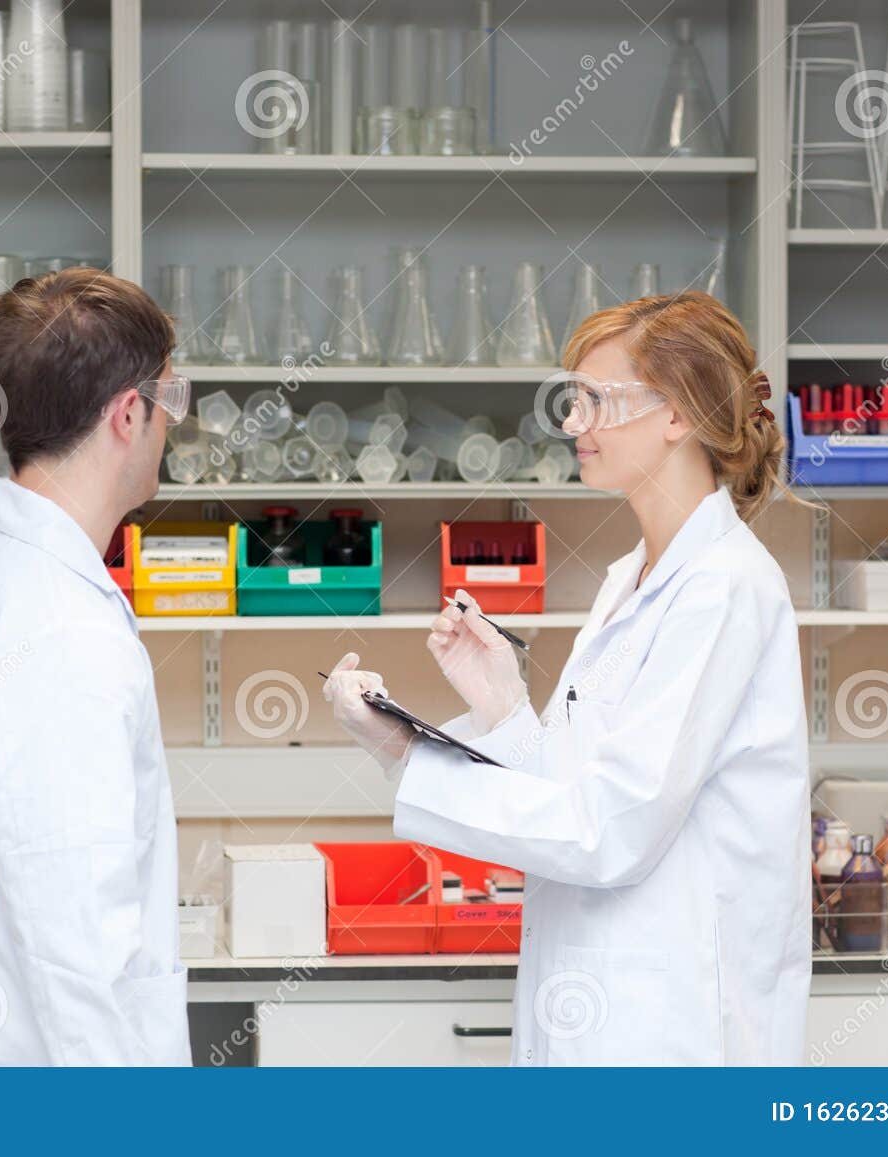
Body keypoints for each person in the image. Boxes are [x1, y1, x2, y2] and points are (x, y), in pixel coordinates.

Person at [324, 292, 810, 1066]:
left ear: (678, 415)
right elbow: (573, 789)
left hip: (672, 1030)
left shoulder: (723, 587)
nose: (574, 423)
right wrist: (502, 704)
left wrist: (411, 759)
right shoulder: (633, 579)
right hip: (597, 1006)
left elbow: (609, 829)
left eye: (596, 401)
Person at [0, 269, 193, 1066]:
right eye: (172, 400)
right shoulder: (56, 624)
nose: (173, 422)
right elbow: (77, 945)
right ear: (130, 413)